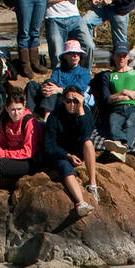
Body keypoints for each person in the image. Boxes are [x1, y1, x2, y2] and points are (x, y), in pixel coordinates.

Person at [0, 86, 43, 213]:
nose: (16, 113)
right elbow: (3, 143)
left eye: (19, 109)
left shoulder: (30, 122)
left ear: (24, 106)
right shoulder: (5, 121)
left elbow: (28, 151)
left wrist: (4, 153)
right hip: (10, 156)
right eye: (12, 110)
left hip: (28, 162)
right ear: (7, 109)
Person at [42, 82, 96, 214]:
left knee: (88, 142)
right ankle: (80, 202)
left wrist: (81, 109)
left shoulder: (85, 112)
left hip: (77, 150)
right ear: (63, 101)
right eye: (68, 101)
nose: (72, 104)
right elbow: (49, 146)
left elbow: (87, 132)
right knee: (65, 167)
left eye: (75, 101)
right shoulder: (55, 117)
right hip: (60, 153)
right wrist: (67, 155)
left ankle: (93, 184)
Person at [25, 35, 90, 118]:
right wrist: (45, 88)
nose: (75, 56)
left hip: (69, 99)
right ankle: (30, 114)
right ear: (65, 56)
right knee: (34, 84)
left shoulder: (85, 73)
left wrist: (59, 90)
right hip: (52, 94)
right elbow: (52, 83)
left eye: (77, 54)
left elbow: (78, 90)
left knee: (53, 90)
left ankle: (47, 116)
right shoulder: (58, 70)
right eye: (71, 54)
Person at [97, 45, 135, 150]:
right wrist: (124, 92)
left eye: (124, 55)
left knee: (130, 123)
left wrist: (122, 96)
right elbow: (106, 98)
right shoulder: (108, 75)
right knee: (113, 125)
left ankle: (124, 145)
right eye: (118, 55)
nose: (121, 58)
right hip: (117, 109)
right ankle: (120, 146)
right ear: (113, 56)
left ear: (128, 57)